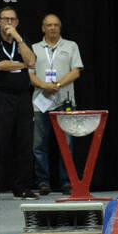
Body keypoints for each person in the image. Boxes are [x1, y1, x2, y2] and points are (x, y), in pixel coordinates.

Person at [0, 6, 37, 201]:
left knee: (25, 142)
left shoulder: (23, 41)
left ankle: (21, 186)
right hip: (1, 96)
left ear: (17, 23)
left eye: (12, 20)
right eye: (5, 19)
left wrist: (19, 38)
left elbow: (32, 60)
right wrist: (23, 65)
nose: (9, 23)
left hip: (23, 97)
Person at [29, 13, 84, 195]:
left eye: (55, 25)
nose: (52, 28)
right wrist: (44, 85)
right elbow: (28, 74)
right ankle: (43, 181)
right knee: (39, 144)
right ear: (43, 28)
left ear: (60, 28)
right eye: (48, 25)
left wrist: (57, 85)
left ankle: (66, 182)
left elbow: (76, 71)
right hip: (41, 102)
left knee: (66, 144)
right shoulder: (34, 48)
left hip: (64, 102)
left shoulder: (71, 46)